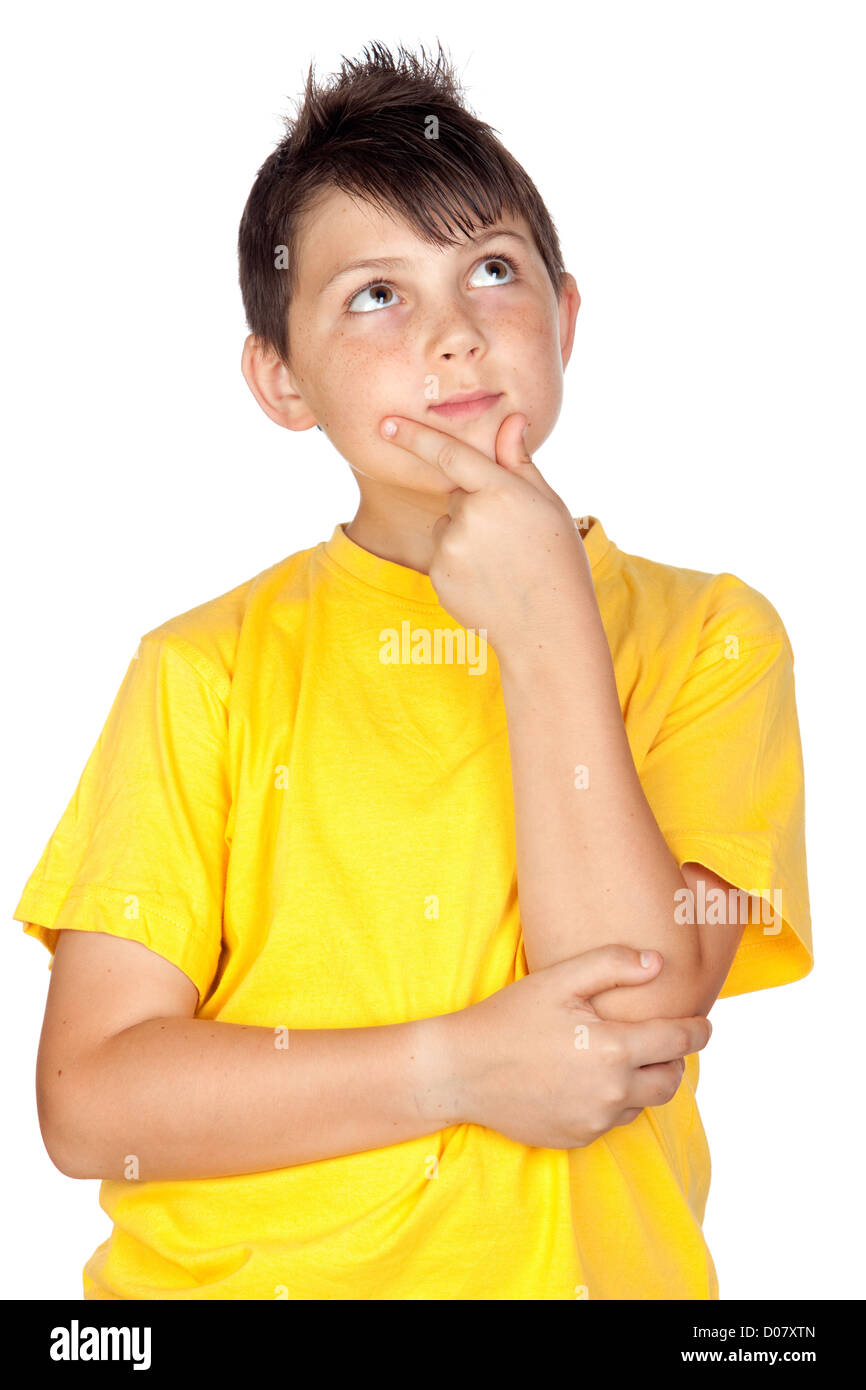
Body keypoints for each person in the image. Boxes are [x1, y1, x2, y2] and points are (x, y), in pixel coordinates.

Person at [12, 39, 812, 1300]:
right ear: (280, 378)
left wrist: (547, 619)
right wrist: (455, 1068)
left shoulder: (711, 634)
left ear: (562, 316)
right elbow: (88, 1103)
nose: (454, 334)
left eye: (491, 272)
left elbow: (633, 1018)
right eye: (375, 295)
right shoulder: (199, 670)